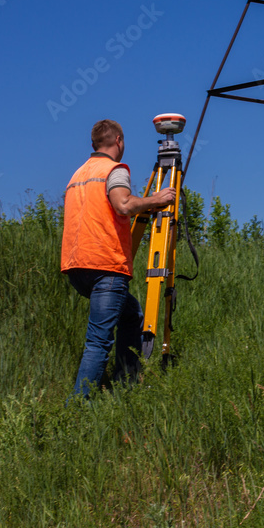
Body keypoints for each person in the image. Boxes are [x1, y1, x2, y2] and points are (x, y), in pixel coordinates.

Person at [61, 119, 176, 398]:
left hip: (77, 267)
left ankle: (125, 383)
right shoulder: (114, 170)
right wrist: (155, 199)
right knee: (98, 343)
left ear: (93, 144)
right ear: (119, 141)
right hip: (105, 266)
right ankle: (77, 408)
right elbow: (123, 205)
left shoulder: (78, 175)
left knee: (131, 314)